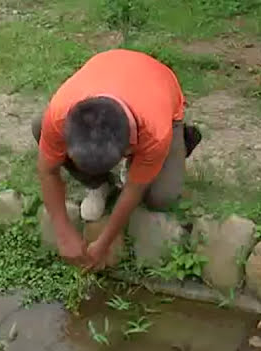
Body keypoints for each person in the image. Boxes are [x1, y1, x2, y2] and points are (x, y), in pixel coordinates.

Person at [33, 49, 202, 271]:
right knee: (40, 128)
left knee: (161, 197)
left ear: (129, 149)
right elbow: (47, 171)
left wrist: (104, 242)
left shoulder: (154, 130)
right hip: (108, 65)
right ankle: (100, 184)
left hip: (158, 87)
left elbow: (134, 188)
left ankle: (180, 140)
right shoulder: (59, 115)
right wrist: (63, 233)